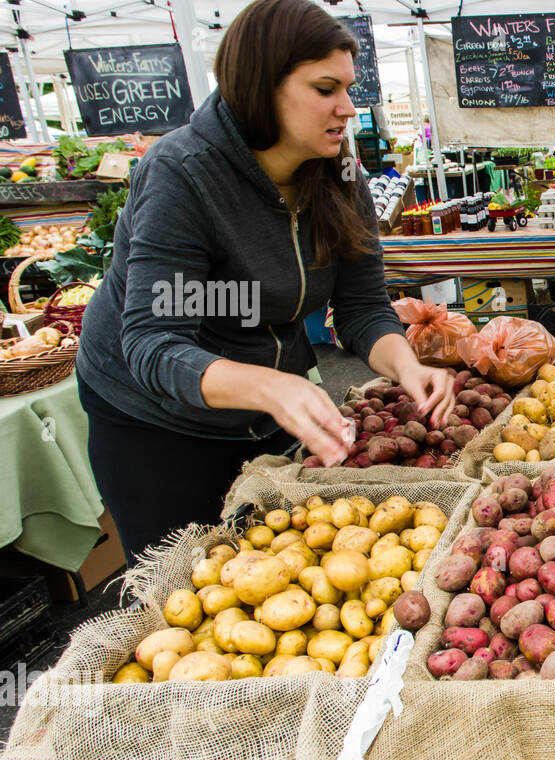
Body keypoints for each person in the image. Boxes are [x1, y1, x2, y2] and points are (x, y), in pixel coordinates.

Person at [75, 0, 455, 561]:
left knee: (281, 558)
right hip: (156, 420)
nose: (348, 108)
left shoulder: (339, 171)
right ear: (261, 87)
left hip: (269, 404)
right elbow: (154, 345)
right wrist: (272, 387)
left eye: (349, 88)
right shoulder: (184, 174)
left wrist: (407, 367)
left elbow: (362, 307)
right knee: (183, 581)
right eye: (326, 89)